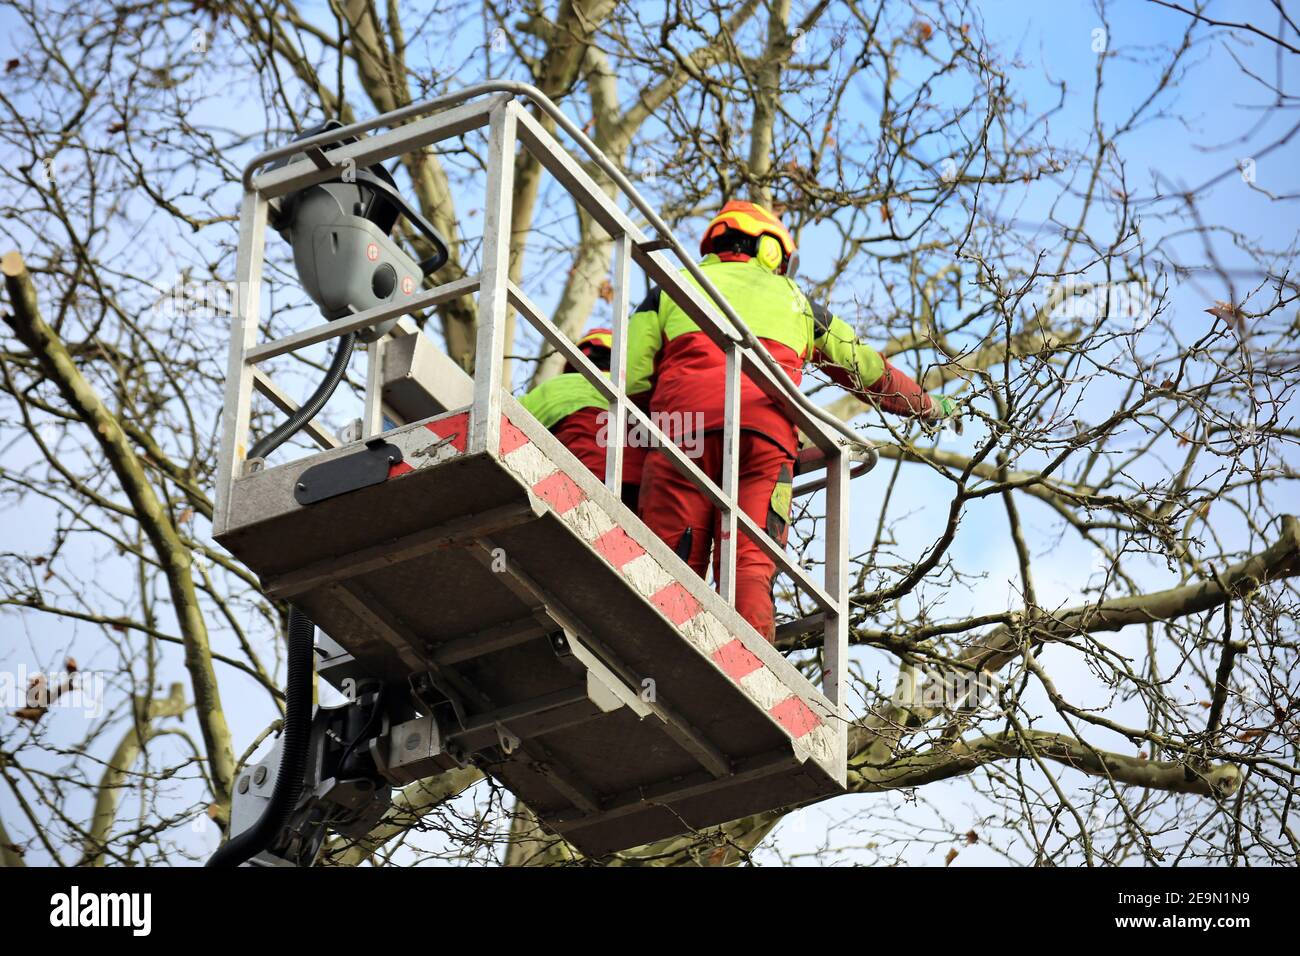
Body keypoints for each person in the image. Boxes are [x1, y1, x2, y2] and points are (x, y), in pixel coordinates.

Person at [626, 200, 958, 641]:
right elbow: (866, 368)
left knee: (671, 556)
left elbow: (630, 376)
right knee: (749, 562)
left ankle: (654, 648)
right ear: (769, 250)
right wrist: (928, 405)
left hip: (680, 431)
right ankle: (748, 667)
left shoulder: (671, 286)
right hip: (766, 438)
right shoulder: (798, 302)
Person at [518, 328, 647, 508]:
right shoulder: (630, 389)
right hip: (630, 486)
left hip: (559, 488)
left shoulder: (547, 389)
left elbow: (509, 423)